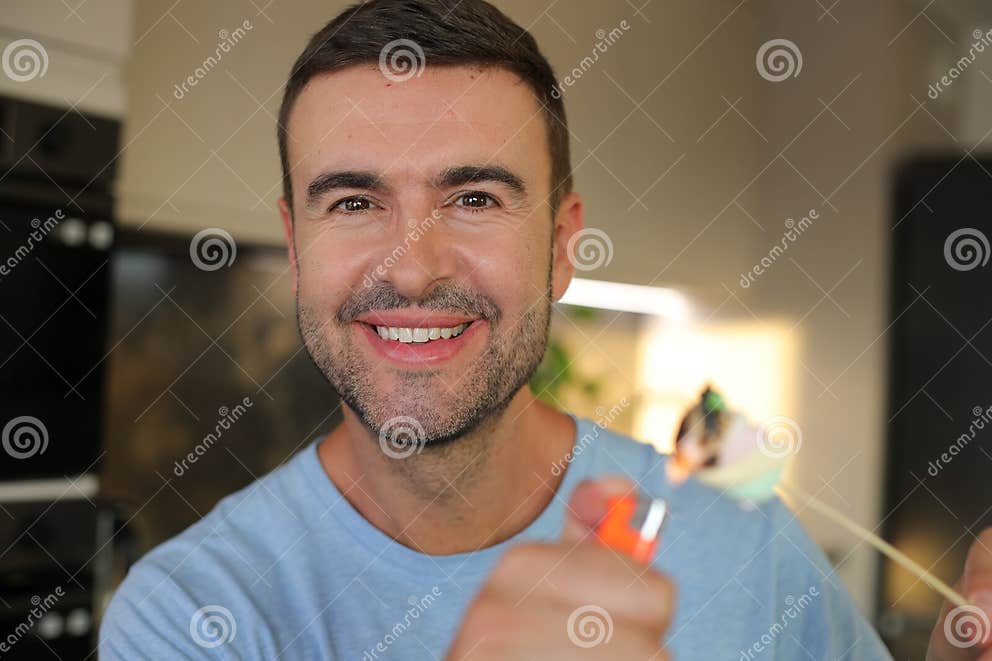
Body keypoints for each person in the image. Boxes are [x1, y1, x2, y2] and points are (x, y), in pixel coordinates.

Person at [98, 1, 992, 658]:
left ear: (563, 245)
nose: (413, 268)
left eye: (475, 196)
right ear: (296, 245)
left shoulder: (742, 539)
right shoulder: (190, 613)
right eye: (356, 201)